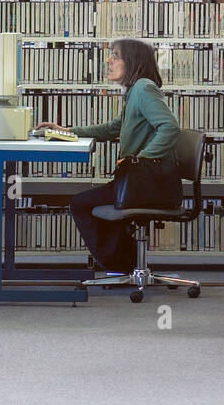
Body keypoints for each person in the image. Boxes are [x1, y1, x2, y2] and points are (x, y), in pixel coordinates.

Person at [34, 39, 182, 275]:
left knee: (80, 204)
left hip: (145, 183)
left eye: (115, 56)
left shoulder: (143, 88)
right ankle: (125, 266)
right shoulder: (134, 92)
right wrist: (66, 131)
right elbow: (113, 128)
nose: (108, 61)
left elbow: (170, 127)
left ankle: (118, 266)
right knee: (98, 203)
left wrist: (139, 161)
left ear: (132, 61)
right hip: (137, 181)